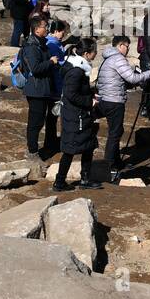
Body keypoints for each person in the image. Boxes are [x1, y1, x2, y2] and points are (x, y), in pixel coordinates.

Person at [97, 34, 150, 182]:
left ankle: (116, 162)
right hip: (114, 101)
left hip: (106, 99)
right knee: (114, 134)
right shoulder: (118, 58)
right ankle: (109, 167)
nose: (128, 50)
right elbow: (132, 78)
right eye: (127, 47)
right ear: (120, 46)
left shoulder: (107, 58)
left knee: (117, 131)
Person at [54, 37, 102, 192]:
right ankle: (60, 182)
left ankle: (85, 178)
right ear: (87, 53)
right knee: (70, 149)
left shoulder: (77, 66)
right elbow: (71, 94)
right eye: (95, 51)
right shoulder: (76, 71)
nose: (96, 54)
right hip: (76, 116)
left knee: (88, 146)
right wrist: (90, 102)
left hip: (78, 115)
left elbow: (76, 91)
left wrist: (91, 94)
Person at [18, 16, 60, 161]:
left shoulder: (42, 43)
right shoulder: (31, 47)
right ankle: (32, 151)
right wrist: (51, 62)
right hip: (35, 90)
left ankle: (47, 145)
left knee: (44, 120)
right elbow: (35, 69)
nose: (47, 28)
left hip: (44, 88)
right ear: (37, 30)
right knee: (35, 122)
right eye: (45, 26)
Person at [47, 19, 69, 99]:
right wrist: (68, 61)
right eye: (62, 33)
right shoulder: (52, 44)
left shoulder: (53, 41)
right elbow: (56, 62)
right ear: (56, 31)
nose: (63, 36)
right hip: (55, 79)